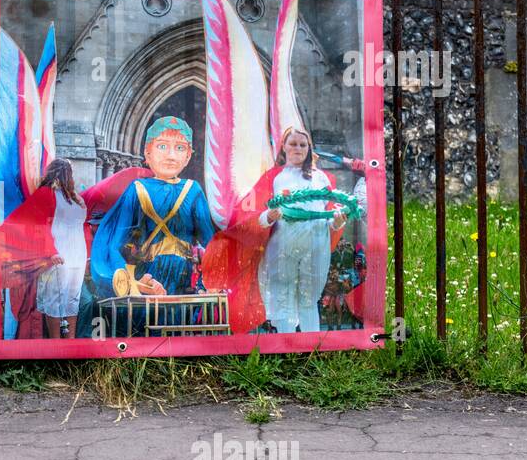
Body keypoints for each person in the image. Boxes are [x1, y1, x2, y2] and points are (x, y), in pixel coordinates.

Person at [201, 127, 347, 335]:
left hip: (315, 245)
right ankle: (285, 346)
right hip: (282, 246)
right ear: (284, 148)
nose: (298, 148)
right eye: (293, 144)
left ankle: (312, 347)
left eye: (302, 144)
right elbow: (256, 213)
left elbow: (331, 217)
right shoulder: (274, 177)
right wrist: (269, 216)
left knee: (309, 297)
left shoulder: (321, 178)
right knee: (282, 297)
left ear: (308, 148)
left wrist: (339, 220)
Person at [89, 116, 214, 301]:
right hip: (148, 277)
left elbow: (212, 245)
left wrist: (206, 283)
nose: (171, 156)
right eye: (162, 146)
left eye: (179, 148)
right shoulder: (137, 190)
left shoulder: (193, 190)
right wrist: (132, 282)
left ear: (187, 156)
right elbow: (114, 245)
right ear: (147, 153)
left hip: (183, 282)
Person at [1, 158, 90, 338]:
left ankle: (69, 342)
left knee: (70, 297)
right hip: (63, 254)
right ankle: (58, 343)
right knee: (58, 298)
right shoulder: (54, 194)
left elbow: (80, 228)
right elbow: (36, 224)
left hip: (73, 255)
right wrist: (50, 251)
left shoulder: (76, 198)